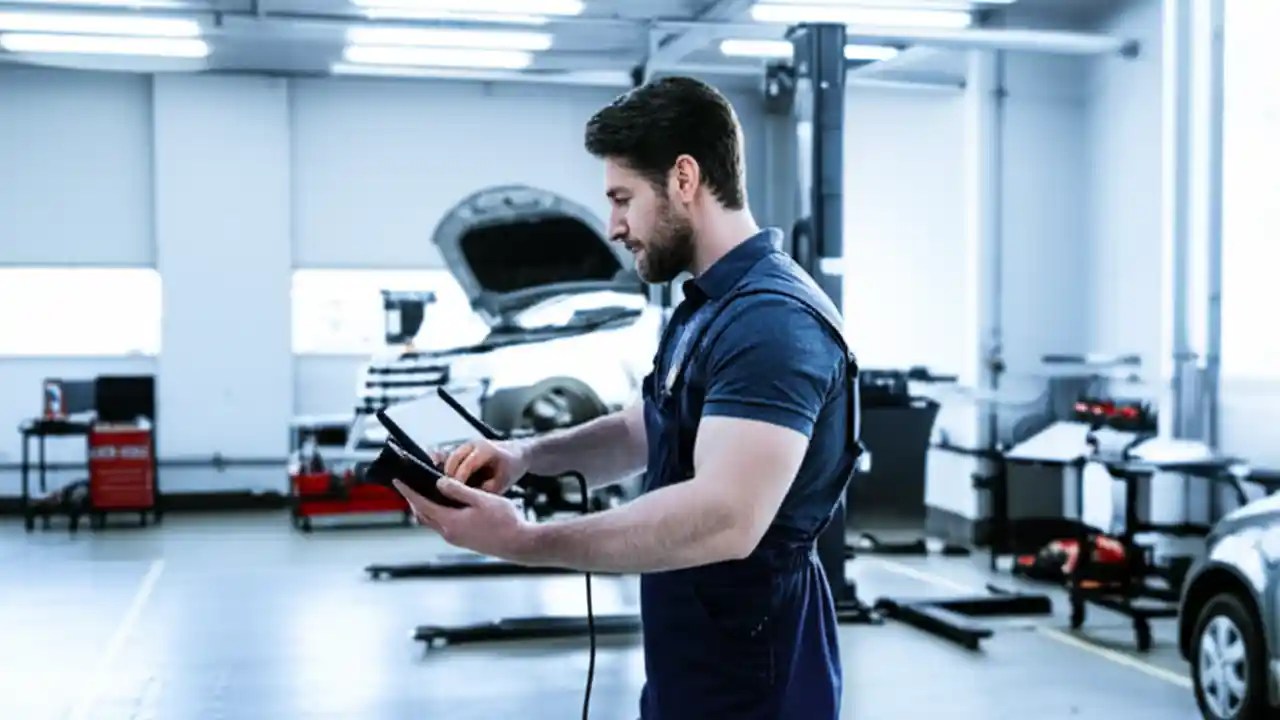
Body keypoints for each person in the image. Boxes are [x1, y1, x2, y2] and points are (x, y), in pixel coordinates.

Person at [394, 75, 861, 720]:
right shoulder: (706, 305)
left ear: (684, 179)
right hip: (693, 657)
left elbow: (726, 516)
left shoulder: (772, 322)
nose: (613, 227)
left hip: (757, 675)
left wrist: (527, 541)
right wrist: (525, 454)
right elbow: (649, 426)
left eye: (622, 199)